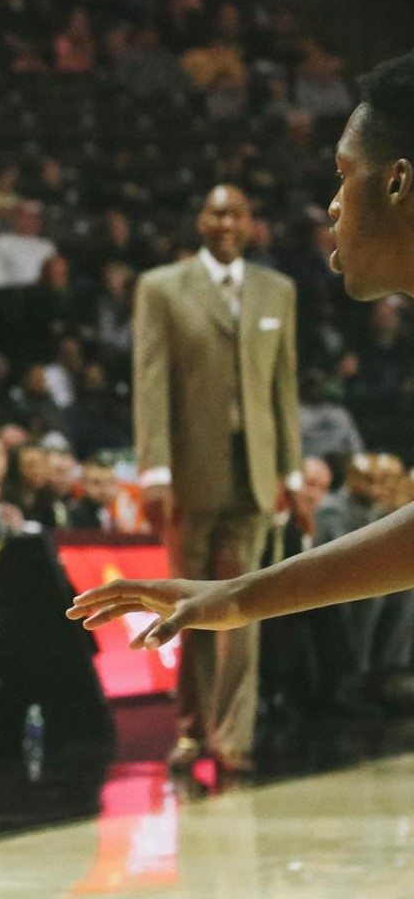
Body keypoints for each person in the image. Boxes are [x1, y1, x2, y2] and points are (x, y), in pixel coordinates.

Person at [71, 54, 414, 667]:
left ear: (396, 182)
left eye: (342, 174)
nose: (332, 205)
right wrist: (236, 597)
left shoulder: (274, 292)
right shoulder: (166, 288)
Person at [131, 183, 302, 773]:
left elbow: (284, 390)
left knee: (243, 606)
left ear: (251, 223)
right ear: (200, 221)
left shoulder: (278, 290)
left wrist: (294, 472)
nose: (226, 221)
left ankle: (231, 736)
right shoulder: (161, 288)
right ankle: (190, 729)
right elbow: (150, 382)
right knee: (187, 603)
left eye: (237, 212)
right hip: (186, 473)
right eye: (215, 211)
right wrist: (152, 469)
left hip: (254, 473)